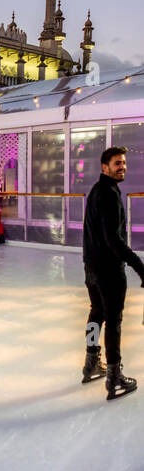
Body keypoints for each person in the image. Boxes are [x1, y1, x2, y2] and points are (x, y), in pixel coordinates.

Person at [83, 147, 144, 399]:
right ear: (104, 167)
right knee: (114, 321)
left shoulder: (97, 190)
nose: (122, 167)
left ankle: (91, 362)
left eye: (124, 163)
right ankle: (114, 375)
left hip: (92, 267)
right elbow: (113, 239)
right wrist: (139, 265)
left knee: (96, 314)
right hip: (108, 270)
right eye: (117, 163)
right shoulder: (108, 194)